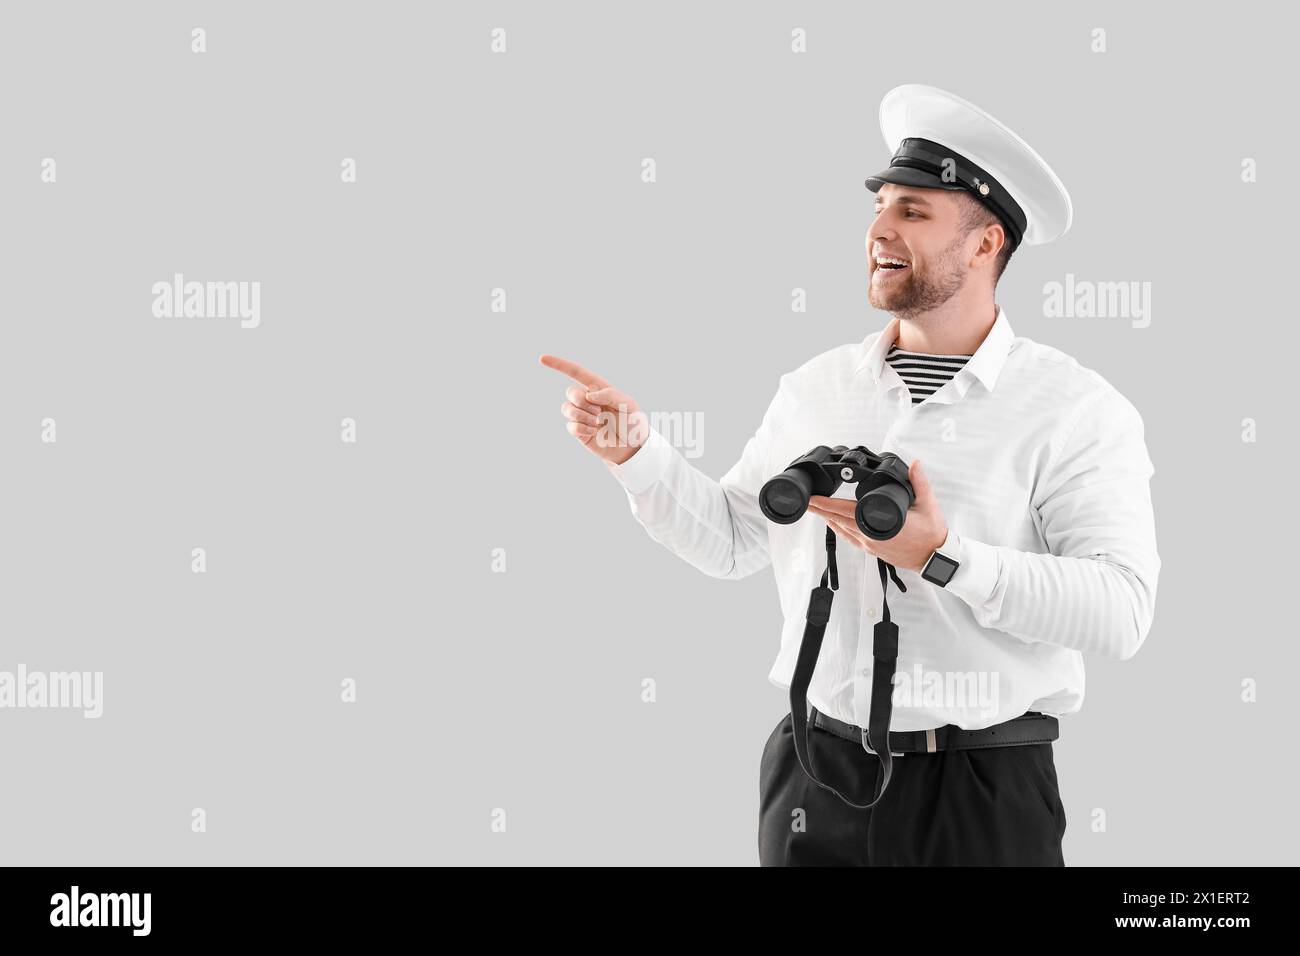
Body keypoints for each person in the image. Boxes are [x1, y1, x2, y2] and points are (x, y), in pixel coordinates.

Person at [539, 84, 1160, 866]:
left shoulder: (1073, 408)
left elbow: (1122, 612)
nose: (878, 229)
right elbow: (733, 541)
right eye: (880, 205)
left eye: (914, 211)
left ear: (985, 243)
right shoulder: (816, 387)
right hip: (813, 773)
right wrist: (637, 454)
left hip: (979, 788)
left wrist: (943, 556)